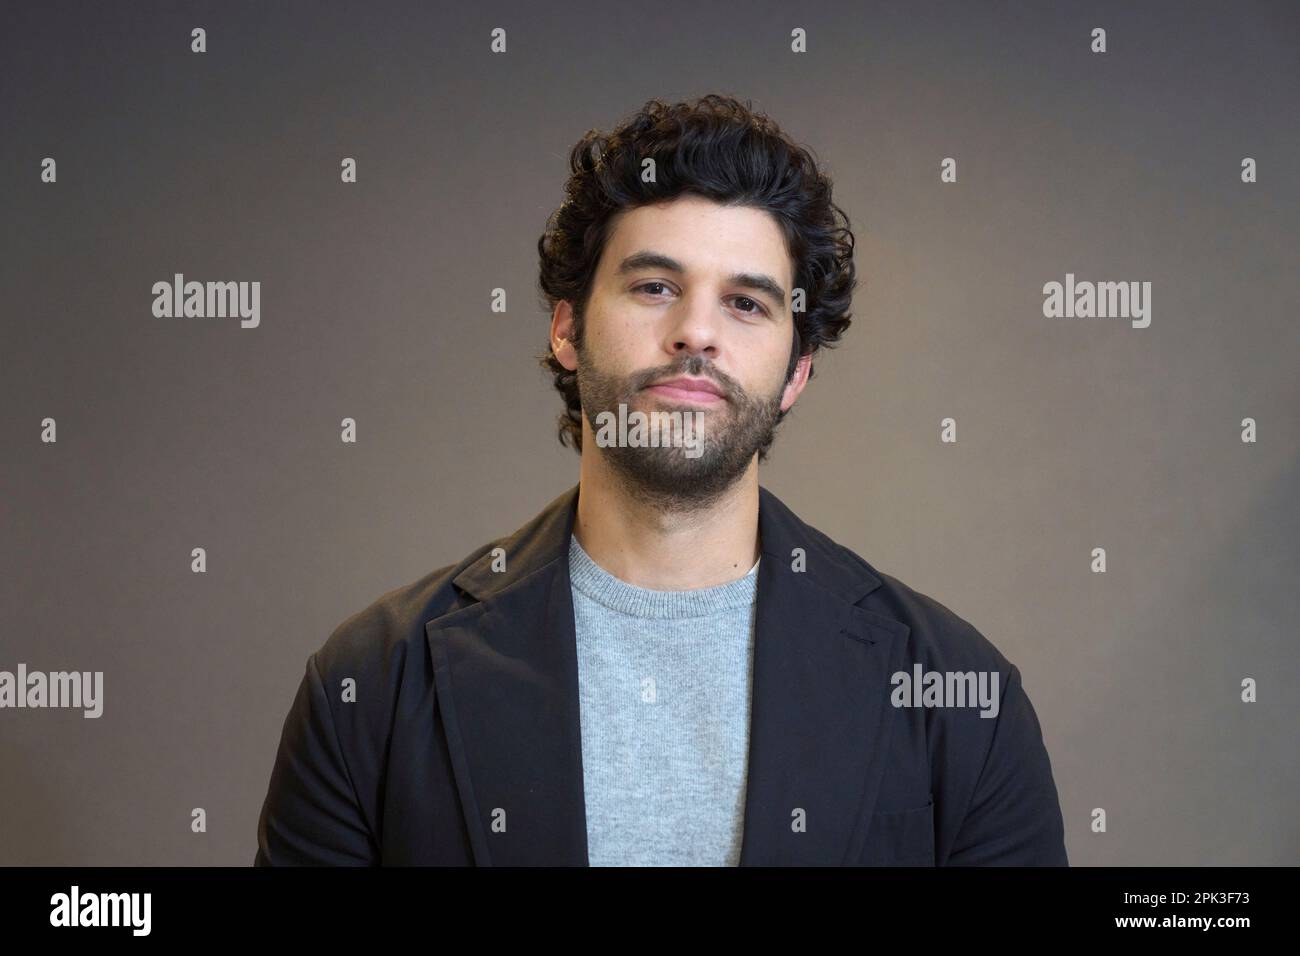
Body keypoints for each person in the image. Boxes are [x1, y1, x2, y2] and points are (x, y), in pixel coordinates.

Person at [254, 94, 1068, 866]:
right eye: (654, 287)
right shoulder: (371, 683)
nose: (695, 333)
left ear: (796, 371)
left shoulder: (960, 696)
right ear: (568, 328)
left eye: (747, 304)